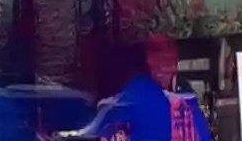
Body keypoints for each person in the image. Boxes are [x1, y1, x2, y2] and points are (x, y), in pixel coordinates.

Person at [72, 34, 211, 141]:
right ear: (149, 63)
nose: (168, 68)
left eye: (170, 62)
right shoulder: (137, 94)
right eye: (162, 62)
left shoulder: (183, 100)